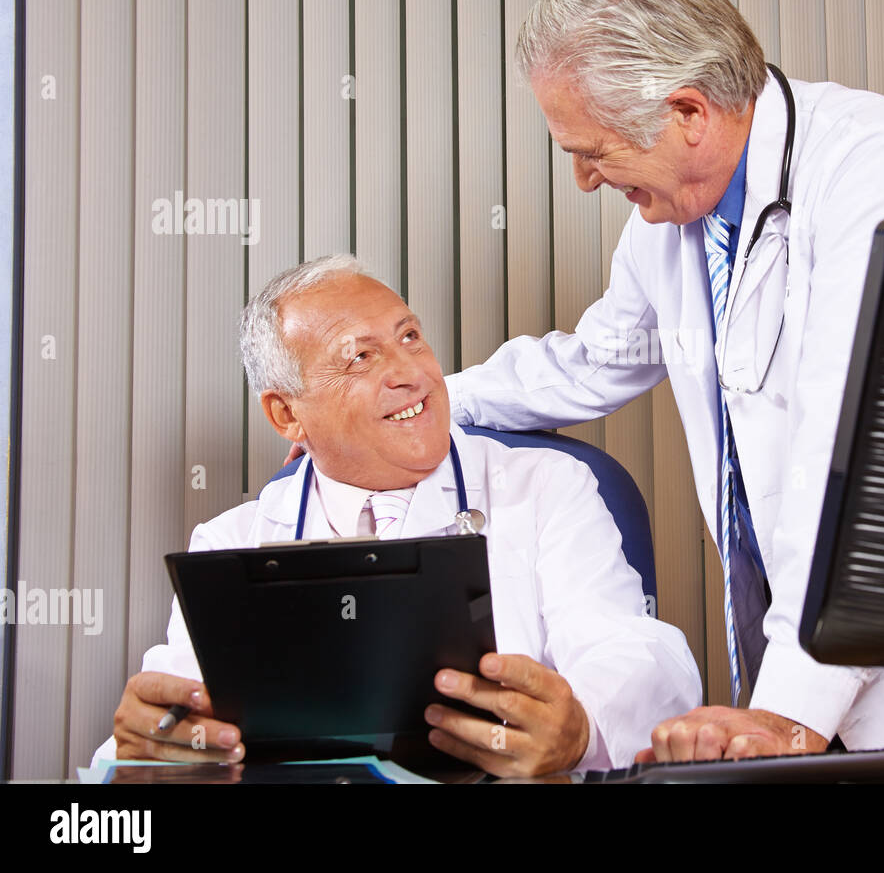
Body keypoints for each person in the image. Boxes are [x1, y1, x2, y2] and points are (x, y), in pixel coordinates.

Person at [446, 0, 884, 761]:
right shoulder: (670, 224)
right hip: (810, 685)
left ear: (688, 113)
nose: (584, 179)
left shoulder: (876, 170)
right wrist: (435, 403)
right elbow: (593, 361)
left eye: (592, 152)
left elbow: (869, 457)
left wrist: (790, 708)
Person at [94, 254, 701, 777]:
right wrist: (142, 746)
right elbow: (168, 722)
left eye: (410, 336)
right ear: (286, 417)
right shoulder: (233, 541)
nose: (411, 372)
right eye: (360, 357)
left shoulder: (545, 487)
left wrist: (582, 728)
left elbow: (638, 655)